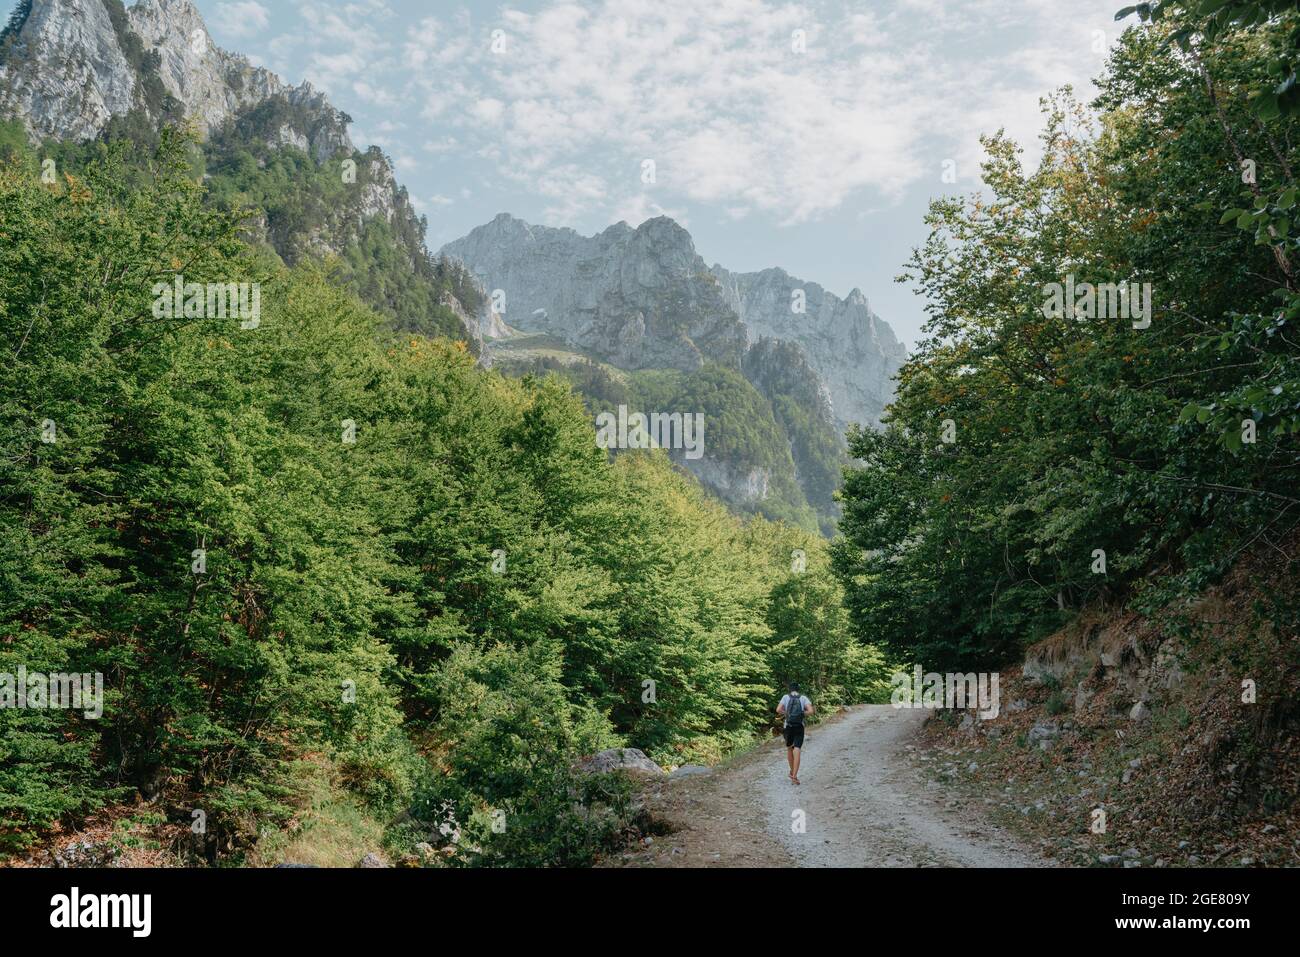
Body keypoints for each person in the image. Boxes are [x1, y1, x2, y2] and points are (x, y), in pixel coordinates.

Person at [776, 682, 813, 785]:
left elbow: (778, 709)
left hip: (788, 726)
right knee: (797, 748)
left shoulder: (785, 697)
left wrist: (786, 713)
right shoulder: (803, 698)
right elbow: (811, 711)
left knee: (789, 748)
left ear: (790, 689)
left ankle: (791, 772)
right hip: (799, 726)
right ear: (798, 689)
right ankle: (795, 776)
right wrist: (802, 713)